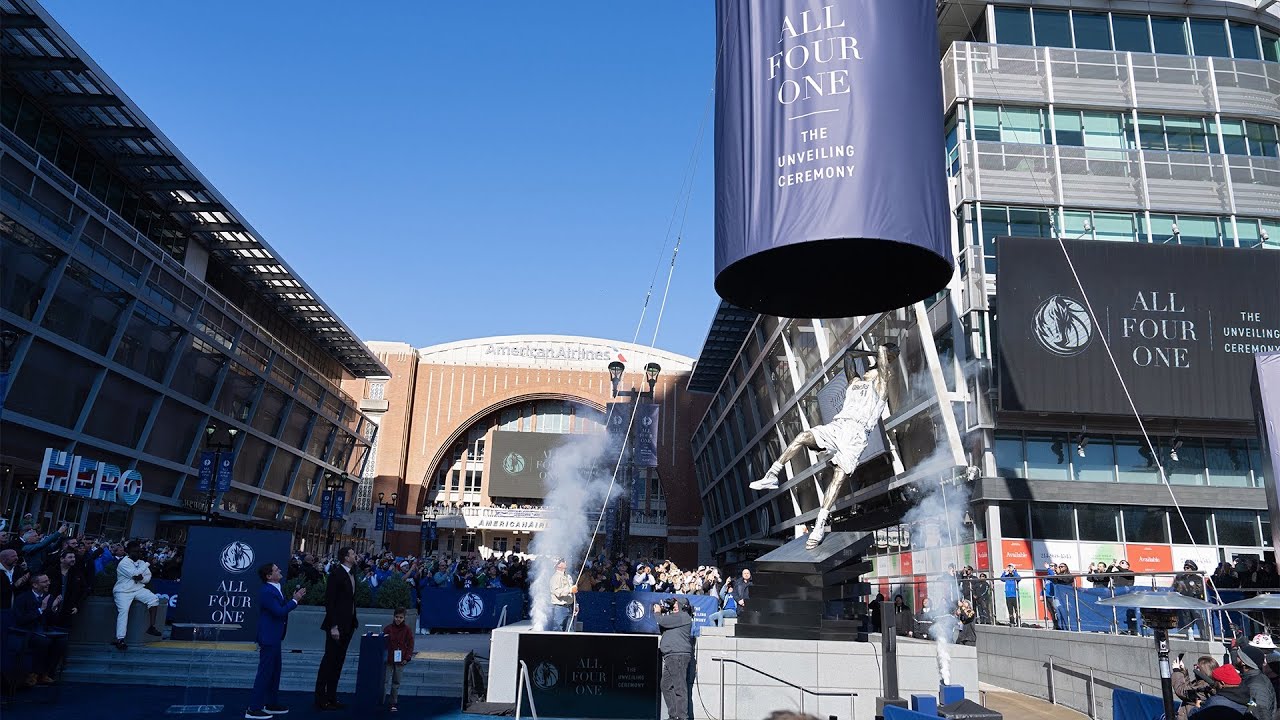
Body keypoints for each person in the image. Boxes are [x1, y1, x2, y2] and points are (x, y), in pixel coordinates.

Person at [749, 343, 897, 550]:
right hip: (838, 425)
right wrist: (871, 353)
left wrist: (881, 352)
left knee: (839, 475)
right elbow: (848, 354)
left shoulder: (881, 387)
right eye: (870, 368)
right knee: (803, 436)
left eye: (874, 368)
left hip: (856, 434)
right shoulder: (854, 382)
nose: (870, 369)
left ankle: (819, 524)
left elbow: (883, 354)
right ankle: (773, 474)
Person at [245, 562, 306, 720]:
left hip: (275, 636)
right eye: (276, 570)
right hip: (269, 637)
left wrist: (293, 599)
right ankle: (254, 708)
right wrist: (295, 600)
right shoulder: (266, 591)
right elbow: (279, 612)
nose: (279, 570)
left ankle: (271, 703)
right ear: (269, 576)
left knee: (275, 672)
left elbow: (280, 609)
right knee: (265, 673)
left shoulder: (275, 588)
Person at [315, 546, 359, 711]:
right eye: (353, 553)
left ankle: (332, 697)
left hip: (349, 624)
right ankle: (321, 698)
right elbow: (330, 601)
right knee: (329, 661)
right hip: (337, 626)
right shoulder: (336, 574)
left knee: (338, 662)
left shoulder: (352, 573)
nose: (356, 556)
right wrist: (333, 626)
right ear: (346, 557)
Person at [12, 573, 68, 686]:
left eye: (48, 580)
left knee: (61, 640)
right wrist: (40, 610)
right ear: (35, 585)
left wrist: (54, 608)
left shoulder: (49, 597)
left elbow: (53, 621)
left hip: (44, 630)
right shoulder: (22, 598)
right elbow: (20, 620)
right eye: (45, 581)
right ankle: (34, 673)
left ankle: (45, 673)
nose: (48, 583)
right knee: (43, 641)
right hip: (27, 631)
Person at [112, 540, 161, 650]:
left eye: (139, 551)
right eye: (135, 551)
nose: (138, 553)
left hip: (137, 588)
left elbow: (147, 577)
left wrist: (142, 578)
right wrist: (146, 565)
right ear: (128, 551)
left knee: (154, 599)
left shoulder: (141, 562)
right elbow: (135, 575)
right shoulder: (124, 563)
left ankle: (151, 627)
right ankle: (120, 639)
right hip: (122, 591)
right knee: (124, 611)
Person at [653, 598, 693, 720]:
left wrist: (657, 612)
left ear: (682, 606)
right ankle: (674, 715)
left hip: (678, 655)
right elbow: (662, 627)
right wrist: (664, 612)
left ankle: (682, 717)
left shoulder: (683, 616)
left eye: (676, 605)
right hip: (671, 656)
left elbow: (661, 621)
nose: (674, 607)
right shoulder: (675, 618)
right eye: (673, 605)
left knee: (679, 688)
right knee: (665, 686)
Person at [381, 607, 414, 712]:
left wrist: (407, 657)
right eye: (396, 617)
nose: (398, 619)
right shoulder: (388, 628)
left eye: (401, 617)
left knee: (396, 682)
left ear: (404, 618)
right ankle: (380, 701)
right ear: (393, 617)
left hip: (400, 660)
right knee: (384, 681)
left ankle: (393, 703)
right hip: (388, 660)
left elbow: (410, 644)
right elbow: (382, 643)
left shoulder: (407, 630)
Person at [1236, 643, 1276, 720]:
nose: (1235, 658)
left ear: (1244, 662)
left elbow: (1259, 714)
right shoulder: (1251, 679)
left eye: (1238, 656)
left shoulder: (1255, 685)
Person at [1173, 561, 1207, 641]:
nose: (1185, 569)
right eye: (1184, 567)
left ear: (1193, 568)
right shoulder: (1181, 578)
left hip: (1195, 603)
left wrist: (1194, 593)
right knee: (1187, 620)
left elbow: (1200, 590)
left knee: (1199, 619)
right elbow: (1176, 589)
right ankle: (1189, 636)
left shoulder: (1197, 578)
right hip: (1185, 602)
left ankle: (1204, 636)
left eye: (1187, 568)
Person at [549, 558, 577, 632]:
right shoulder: (555, 577)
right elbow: (557, 592)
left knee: (570, 630)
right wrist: (570, 590)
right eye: (562, 561)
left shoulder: (568, 576)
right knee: (558, 629)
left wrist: (575, 605)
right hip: (560, 608)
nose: (565, 562)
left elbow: (573, 593)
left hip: (569, 607)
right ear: (558, 565)